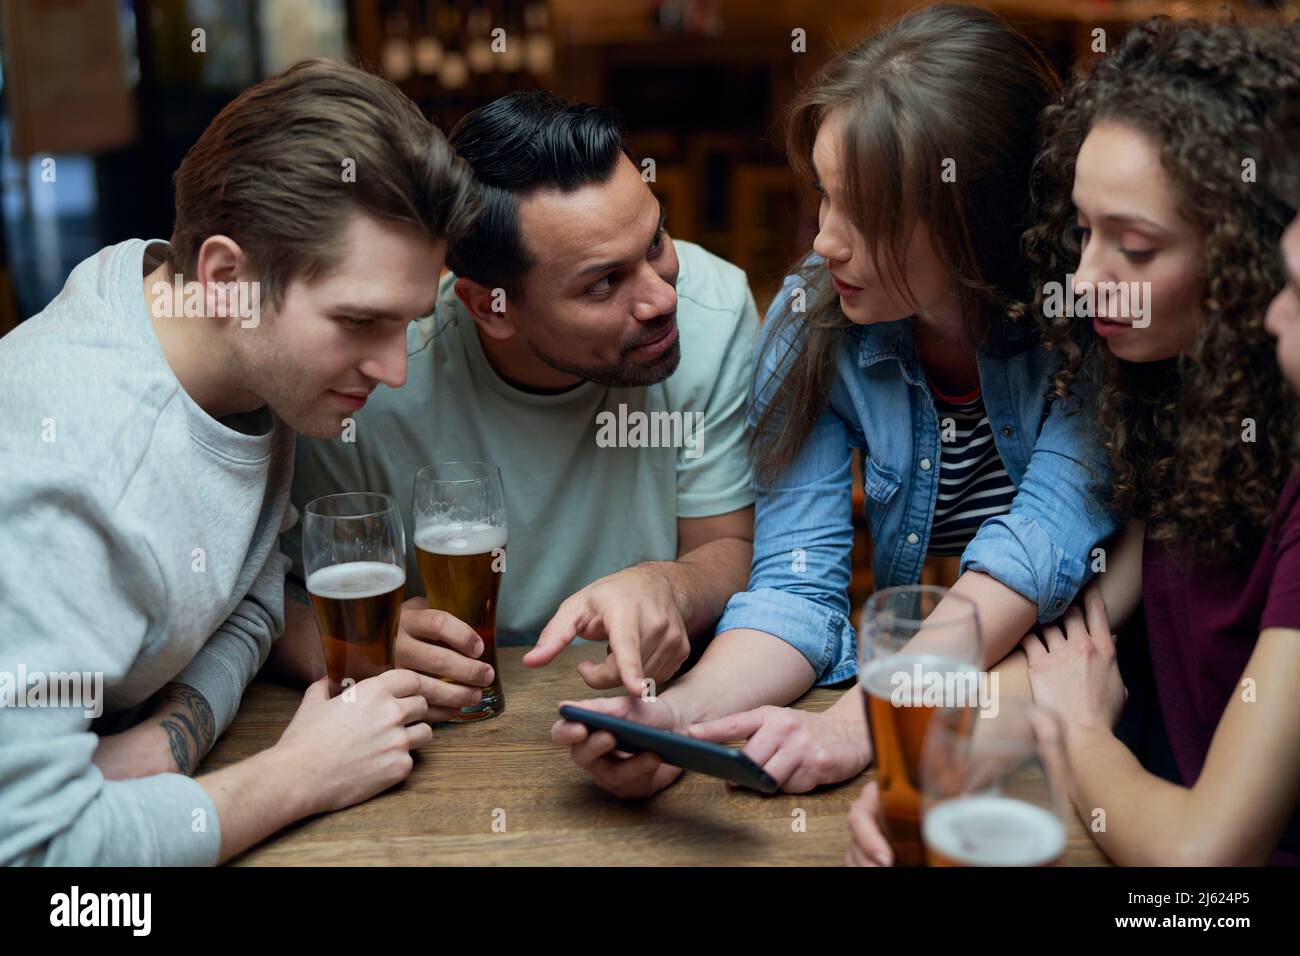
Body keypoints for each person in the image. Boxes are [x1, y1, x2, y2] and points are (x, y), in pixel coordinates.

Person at [554, 3, 1118, 798]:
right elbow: (795, 587)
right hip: (942, 690)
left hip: (1090, 699)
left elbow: (1031, 553)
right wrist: (678, 719)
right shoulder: (812, 321)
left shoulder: (1090, 322)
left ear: (977, 217)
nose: (824, 239)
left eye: (866, 211)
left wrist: (858, 726)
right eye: (824, 195)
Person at [0, 59, 479, 865]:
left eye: (405, 323)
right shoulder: (78, 475)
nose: (394, 370)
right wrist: (300, 775)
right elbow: (42, 859)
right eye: (359, 321)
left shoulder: (201, 329)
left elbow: (244, 600)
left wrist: (162, 745)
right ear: (226, 277)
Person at [847, 19, 1300, 866]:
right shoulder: (1179, 400)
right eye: (1081, 232)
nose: (1085, 281)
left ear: (1250, 257)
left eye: (1134, 247)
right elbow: (1078, 646)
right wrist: (930, 762)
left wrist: (1077, 734)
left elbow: (1202, 861)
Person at [273, 92, 758, 705]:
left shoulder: (713, 315)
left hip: (647, 699)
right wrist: (355, 646)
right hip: (445, 722)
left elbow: (730, 545)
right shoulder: (375, 377)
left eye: (657, 241)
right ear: (488, 306)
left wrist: (671, 586)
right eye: (604, 281)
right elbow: (273, 600)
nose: (660, 298)